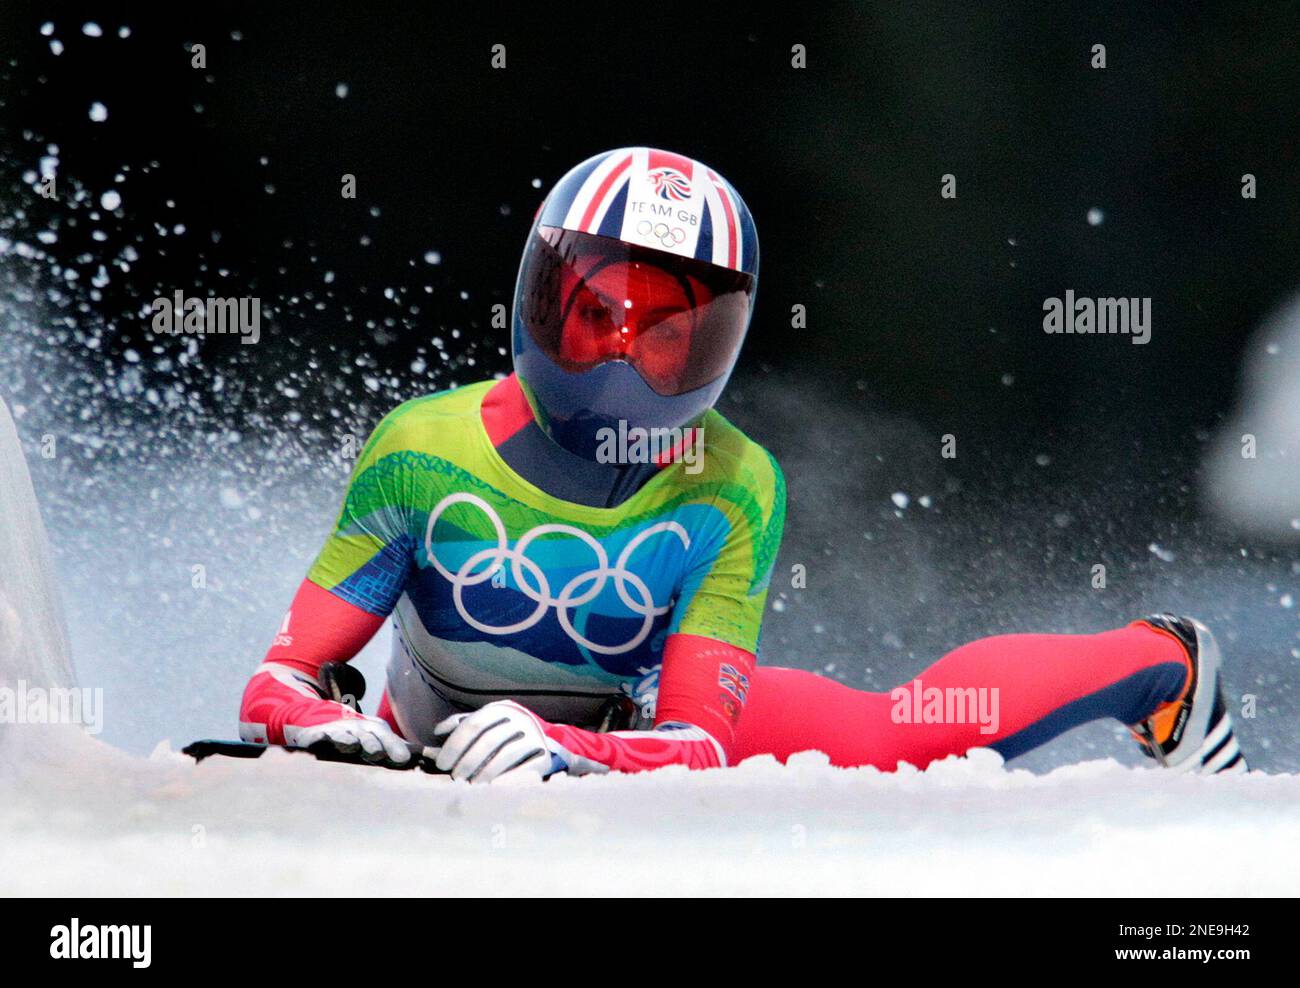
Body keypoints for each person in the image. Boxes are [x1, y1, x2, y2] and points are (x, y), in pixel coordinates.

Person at [239, 147, 1246, 782]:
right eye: (599, 317)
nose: (626, 358)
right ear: (541, 301)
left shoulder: (732, 482)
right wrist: (314, 724)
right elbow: (281, 676)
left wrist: (565, 748)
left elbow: (696, 744)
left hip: (634, 720)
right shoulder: (421, 449)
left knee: (909, 736)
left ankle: (1161, 662)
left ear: (721, 345)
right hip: (475, 736)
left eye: (668, 333)